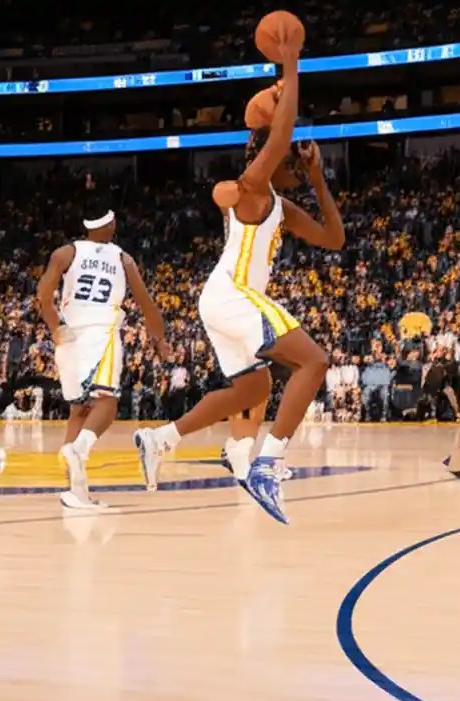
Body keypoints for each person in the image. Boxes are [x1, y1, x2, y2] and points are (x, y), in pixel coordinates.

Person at [134, 39, 346, 525]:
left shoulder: (277, 205)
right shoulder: (253, 187)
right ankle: (268, 465)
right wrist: (290, 66)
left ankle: (159, 438)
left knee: (254, 388)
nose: (296, 165)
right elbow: (282, 131)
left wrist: (317, 179)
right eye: (295, 161)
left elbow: (334, 239)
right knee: (314, 361)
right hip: (232, 294)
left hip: (221, 298)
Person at [38, 194, 170, 510]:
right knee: (107, 403)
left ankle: (76, 490)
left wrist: (56, 327)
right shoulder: (123, 258)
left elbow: (43, 295)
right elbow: (146, 303)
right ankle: (78, 451)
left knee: (79, 410)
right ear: (109, 224)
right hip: (101, 333)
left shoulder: (65, 252)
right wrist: (159, 339)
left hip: (68, 336)